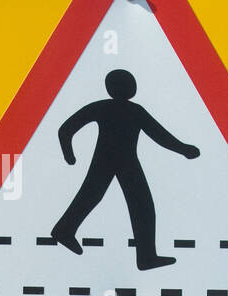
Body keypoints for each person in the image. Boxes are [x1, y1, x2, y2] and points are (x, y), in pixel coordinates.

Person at [51, 69, 200, 270]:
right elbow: (66, 129)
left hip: (118, 160)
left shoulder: (117, 108)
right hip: (117, 161)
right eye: (129, 83)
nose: (133, 87)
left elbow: (159, 135)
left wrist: (183, 149)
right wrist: (68, 155)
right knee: (134, 204)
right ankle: (144, 256)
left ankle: (66, 230)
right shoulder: (127, 110)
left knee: (115, 200)